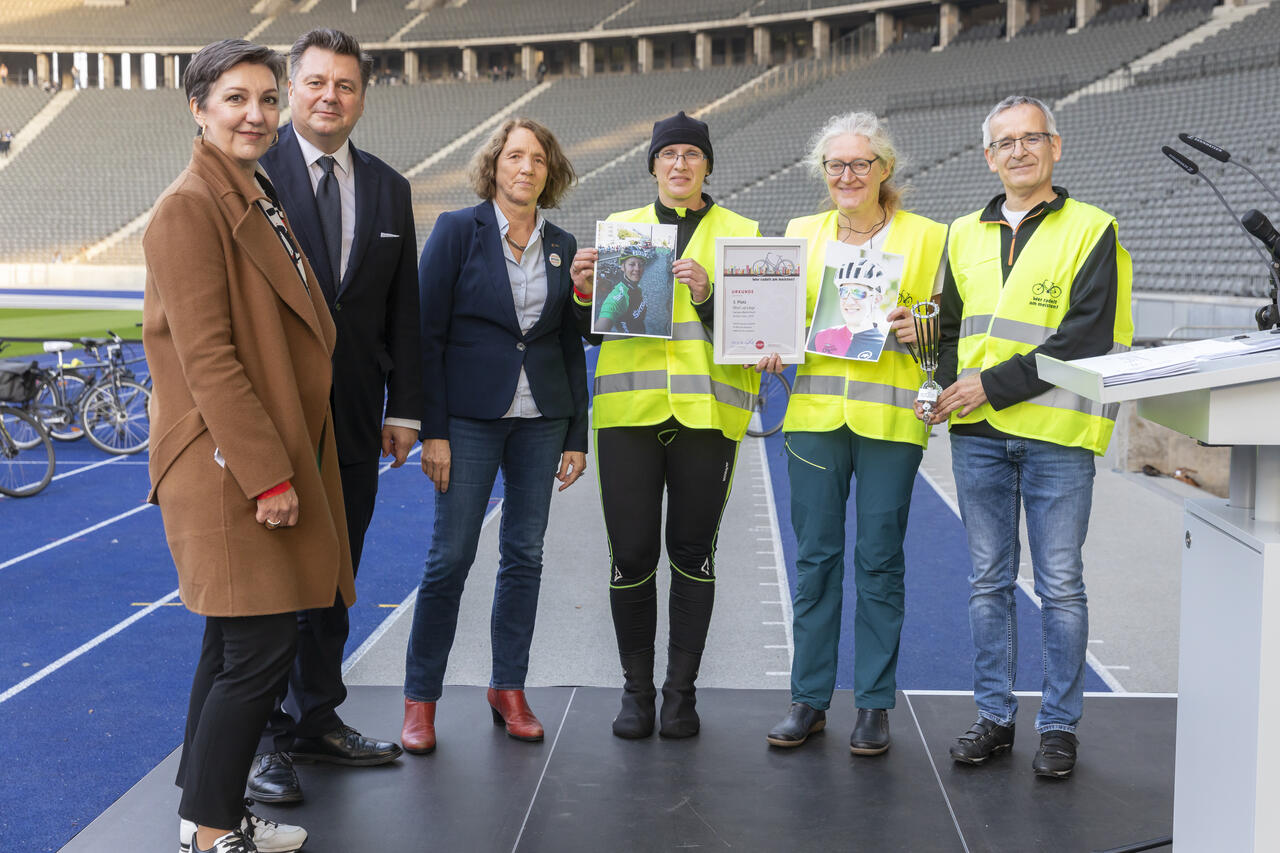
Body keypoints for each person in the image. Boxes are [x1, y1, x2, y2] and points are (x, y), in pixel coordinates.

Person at [143, 39, 349, 853]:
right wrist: (266, 476)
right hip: (230, 465)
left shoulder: (252, 192)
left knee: (233, 645)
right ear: (199, 108)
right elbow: (209, 357)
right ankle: (213, 834)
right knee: (258, 651)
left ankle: (205, 813)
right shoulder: (190, 206)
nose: (257, 114)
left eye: (267, 99)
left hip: (256, 453)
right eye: (236, 99)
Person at [929, 95, 1132, 778]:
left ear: (1056, 147)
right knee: (988, 581)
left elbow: (1086, 335)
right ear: (989, 156)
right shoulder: (961, 232)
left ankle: (1059, 726)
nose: (1019, 150)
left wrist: (990, 384)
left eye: (1032, 138)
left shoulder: (1092, 227)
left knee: (1061, 585)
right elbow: (950, 327)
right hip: (977, 434)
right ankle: (994, 716)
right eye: (1005, 142)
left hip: (1056, 433)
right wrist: (941, 383)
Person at [247, 28, 423, 804]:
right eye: (315, 82)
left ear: (361, 95)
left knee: (334, 581)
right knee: (272, 588)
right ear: (292, 88)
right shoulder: (252, 175)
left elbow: (400, 310)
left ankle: (317, 716)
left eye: (344, 85)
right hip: (277, 422)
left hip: (355, 419)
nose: (330, 97)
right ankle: (263, 742)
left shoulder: (389, 187)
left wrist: (406, 409)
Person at [569, 111, 760, 740]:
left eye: (692, 154)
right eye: (668, 154)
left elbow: (760, 338)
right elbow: (594, 331)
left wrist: (708, 296)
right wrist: (581, 294)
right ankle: (636, 693)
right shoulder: (623, 233)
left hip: (709, 417)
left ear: (708, 164)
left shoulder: (744, 235)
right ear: (653, 165)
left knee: (693, 555)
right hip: (630, 415)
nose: (680, 164)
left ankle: (680, 695)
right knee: (630, 555)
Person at [762, 112, 946, 754]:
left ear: (884, 169)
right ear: (823, 172)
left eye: (859, 164)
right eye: (835, 165)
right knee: (814, 561)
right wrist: (769, 344)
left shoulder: (929, 237)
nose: (846, 175)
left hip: (891, 420)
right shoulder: (798, 233)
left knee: (879, 561)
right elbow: (776, 318)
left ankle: (873, 704)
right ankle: (808, 699)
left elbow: (946, 329)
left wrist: (921, 328)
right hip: (814, 418)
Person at [402, 118, 587, 753]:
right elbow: (426, 335)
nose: (526, 167)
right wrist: (434, 429)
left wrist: (577, 435)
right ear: (495, 165)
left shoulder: (563, 244)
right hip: (469, 422)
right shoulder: (458, 230)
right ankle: (420, 699)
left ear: (549, 171)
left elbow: (568, 343)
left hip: (544, 420)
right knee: (449, 557)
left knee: (524, 557)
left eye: (538, 157)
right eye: (515, 156)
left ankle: (508, 687)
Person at [811, 259, 888, 360]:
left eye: (858, 292)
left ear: (877, 300)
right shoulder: (820, 338)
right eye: (844, 291)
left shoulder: (883, 347)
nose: (849, 302)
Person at [596, 249, 651, 334]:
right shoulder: (618, 297)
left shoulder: (637, 287)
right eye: (632, 264)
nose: (637, 268)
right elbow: (602, 325)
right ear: (622, 267)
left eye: (641, 265)